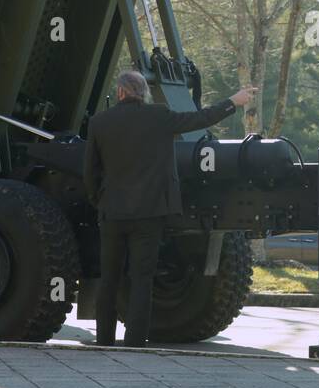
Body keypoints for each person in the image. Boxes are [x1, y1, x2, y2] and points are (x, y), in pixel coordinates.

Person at [84, 71, 256, 347]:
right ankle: (135, 341)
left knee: (110, 278)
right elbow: (200, 119)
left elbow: (90, 171)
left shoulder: (100, 122)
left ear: (119, 93)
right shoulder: (159, 116)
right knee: (142, 279)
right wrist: (232, 102)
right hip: (150, 214)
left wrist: (99, 201)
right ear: (143, 93)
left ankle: (104, 339)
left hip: (112, 213)